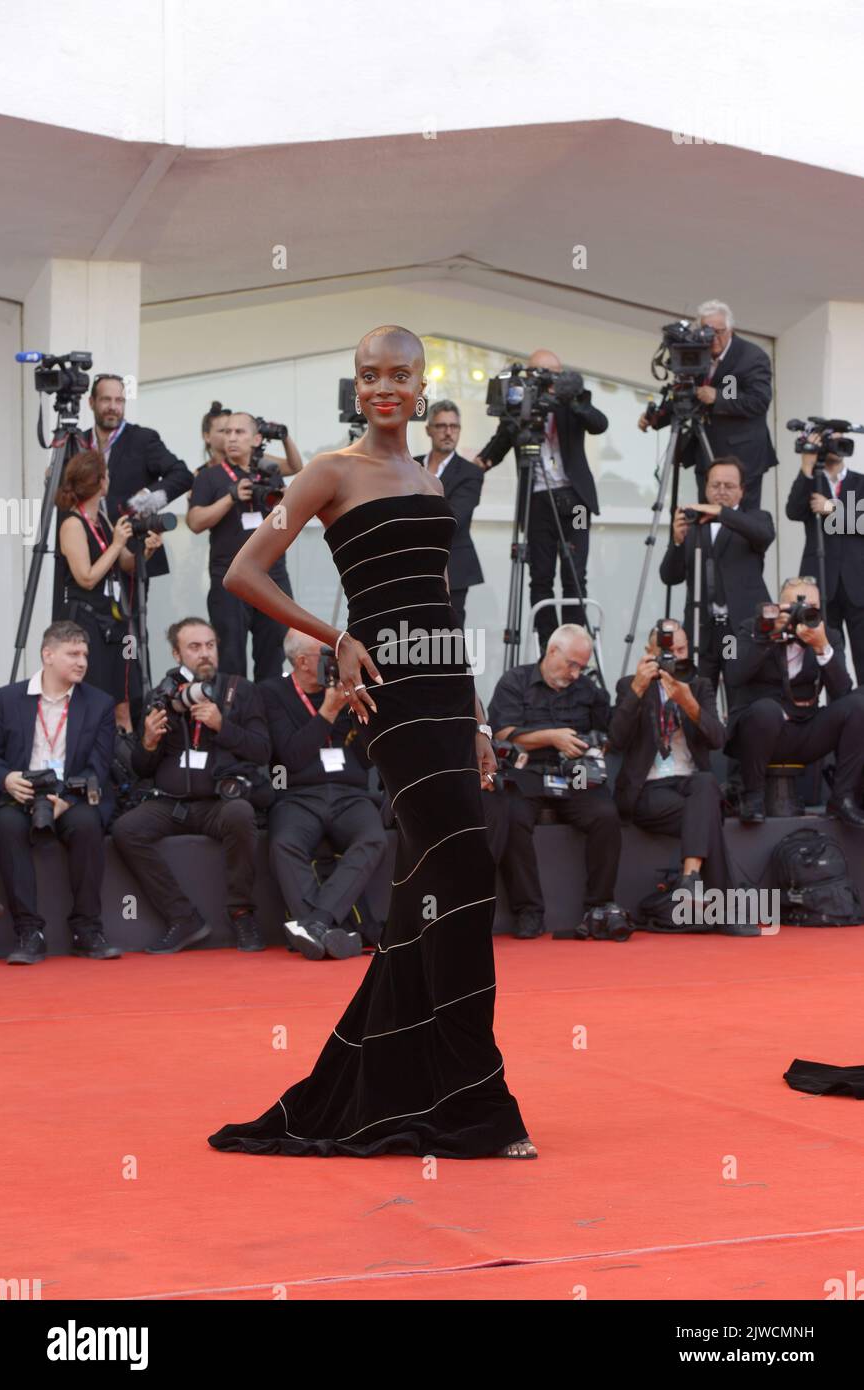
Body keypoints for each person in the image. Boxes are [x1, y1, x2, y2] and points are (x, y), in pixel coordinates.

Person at [206, 323, 534, 1160]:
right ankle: (475, 1101)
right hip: (387, 692)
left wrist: (478, 721)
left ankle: (392, 1080)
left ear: (422, 385)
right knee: (460, 870)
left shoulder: (428, 476)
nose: (383, 387)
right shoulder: (327, 471)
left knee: (430, 883)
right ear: (355, 386)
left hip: (442, 685)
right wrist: (333, 638)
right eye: (368, 375)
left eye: (398, 375)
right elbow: (242, 571)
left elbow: (440, 609)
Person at [110, 618, 272, 953]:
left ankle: (242, 913)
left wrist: (221, 725)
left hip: (219, 802)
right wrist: (150, 742)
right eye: (194, 647)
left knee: (242, 814)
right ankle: (183, 917)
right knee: (126, 829)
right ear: (176, 654)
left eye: (210, 645)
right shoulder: (163, 695)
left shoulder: (241, 690)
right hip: (171, 803)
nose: (205, 654)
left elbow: (262, 751)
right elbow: (142, 768)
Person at [486, 623, 623, 938]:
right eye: (571, 664)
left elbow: (610, 735)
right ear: (551, 651)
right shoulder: (515, 681)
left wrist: (594, 744)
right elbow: (502, 733)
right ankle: (528, 910)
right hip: (527, 771)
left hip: (573, 772)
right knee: (512, 815)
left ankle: (600, 906)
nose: (575, 673)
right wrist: (552, 737)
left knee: (605, 815)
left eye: (581, 666)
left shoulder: (588, 691)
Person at [0, 621, 120, 964]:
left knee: (86, 824)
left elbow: (99, 765)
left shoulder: (100, 704)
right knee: (6, 825)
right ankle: (28, 932)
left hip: (73, 793)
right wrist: (6, 779)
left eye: (85, 654)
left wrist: (66, 798)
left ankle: (87, 929)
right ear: (47, 655)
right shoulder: (6, 699)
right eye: (73, 654)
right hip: (19, 792)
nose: (82, 662)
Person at [261, 631, 387, 959]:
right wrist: (327, 713)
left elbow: (366, 757)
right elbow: (290, 758)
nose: (335, 661)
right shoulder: (273, 693)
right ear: (303, 662)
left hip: (350, 794)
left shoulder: (345, 689)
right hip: (299, 796)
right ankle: (331, 928)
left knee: (373, 838)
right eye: (327, 655)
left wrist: (356, 711)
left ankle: (315, 924)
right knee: (283, 843)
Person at [474, 349, 608, 654]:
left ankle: (576, 645)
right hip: (537, 500)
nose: (547, 380)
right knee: (541, 576)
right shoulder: (519, 404)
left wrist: (570, 398)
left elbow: (599, 423)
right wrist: (474, 467)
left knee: (575, 575)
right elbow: (499, 444)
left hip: (575, 499)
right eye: (539, 374)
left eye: (553, 374)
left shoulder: (572, 399)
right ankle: (551, 648)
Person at [608, 621, 733, 902]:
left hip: (690, 782)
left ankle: (690, 880)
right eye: (667, 650)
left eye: (681, 649)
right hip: (648, 788)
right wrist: (637, 691)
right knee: (707, 815)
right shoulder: (629, 684)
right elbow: (616, 740)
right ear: (649, 652)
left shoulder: (699, 686)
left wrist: (689, 704)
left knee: (705, 784)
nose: (674, 656)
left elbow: (717, 739)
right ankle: (722, 904)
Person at [724, 577, 864, 826]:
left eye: (811, 606)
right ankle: (753, 796)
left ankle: (843, 797)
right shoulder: (748, 628)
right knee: (767, 711)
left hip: (805, 729)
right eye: (795, 606)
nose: (802, 613)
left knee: (859, 704)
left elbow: (843, 691)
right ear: (779, 607)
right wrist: (767, 636)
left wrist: (821, 647)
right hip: (759, 731)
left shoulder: (829, 635)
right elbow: (734, 674)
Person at [56, 449, 163, 729]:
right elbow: (86, 577)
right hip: (88, 622)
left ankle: (126, 763)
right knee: (96, 696)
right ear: (100, 482)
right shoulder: (72, 523)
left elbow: (123, 564)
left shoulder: (102, 520)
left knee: (123, 698)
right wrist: (116, 544)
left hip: (115, 621)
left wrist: (144, 551)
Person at [638, 300, 779, 509]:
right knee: (708, 518)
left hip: (743, 458)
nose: (713, 338)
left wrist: (718, 397)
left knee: (743, 524)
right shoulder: (695, 352)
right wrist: (655, 418)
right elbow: (685, 391)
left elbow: (758, 401)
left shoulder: (751, 357)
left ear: (731, 329)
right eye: (707, 331)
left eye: (719, 331)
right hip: (707, 454)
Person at [187, 412, 293, 681]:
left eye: (239, 432)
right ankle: (233, 717)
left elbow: (285, 522)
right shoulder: (209, 477)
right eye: (227, 432)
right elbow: (195, 522)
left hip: (272, 575)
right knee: (230, 657)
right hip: (229, 578)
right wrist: (230, 497)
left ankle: (268, 718)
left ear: (257, 439)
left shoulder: (269, 471)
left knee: (273, 653)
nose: (231, 438)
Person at [659, 457, 775, 688]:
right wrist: (677, 541)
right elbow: (670, 577)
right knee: (700, 693)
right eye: (715, 485)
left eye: (729, 486)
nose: (721, 491)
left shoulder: (754, 518)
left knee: (737, 688)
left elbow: (764, 534)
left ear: (742, 490)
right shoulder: (694, 523)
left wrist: (721, 513)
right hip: (703, 629)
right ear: (706, 487)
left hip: (735, 629)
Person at [80, 374, 193, 581]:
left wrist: (146, 500)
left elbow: (182, 476)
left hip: (133, 548)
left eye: (119, 400)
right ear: (91, 402)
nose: (113, 406)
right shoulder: (78, 442)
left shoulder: (142, 438)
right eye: (106, 399)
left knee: (130, 613)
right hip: (88, 549)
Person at [785, 433, 864, 685]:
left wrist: (832, 509)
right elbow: (793, 512)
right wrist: (806, 466)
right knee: (826, 656)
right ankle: (835, 714)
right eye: (832, 441)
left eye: (842, 441)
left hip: (858, 584)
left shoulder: (860, 482)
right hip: (820, 583)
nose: (837, 446)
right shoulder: (811, 481)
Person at [413, 399, 484, 628]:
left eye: (454, 427)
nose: (448, 432)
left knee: (449, 638)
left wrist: (410, 516)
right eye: (441, 426)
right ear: (428, 429)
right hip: (411, 566)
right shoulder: (410, 465)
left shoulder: (470, 472)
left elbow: (453, 519)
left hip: (453, 566)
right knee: (410, 634)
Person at [198, 400, 232, 473]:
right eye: (222, 430)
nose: (231, 435)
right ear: (207, 437)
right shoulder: (200, 474)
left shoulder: (252, 463)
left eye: (231, 430)